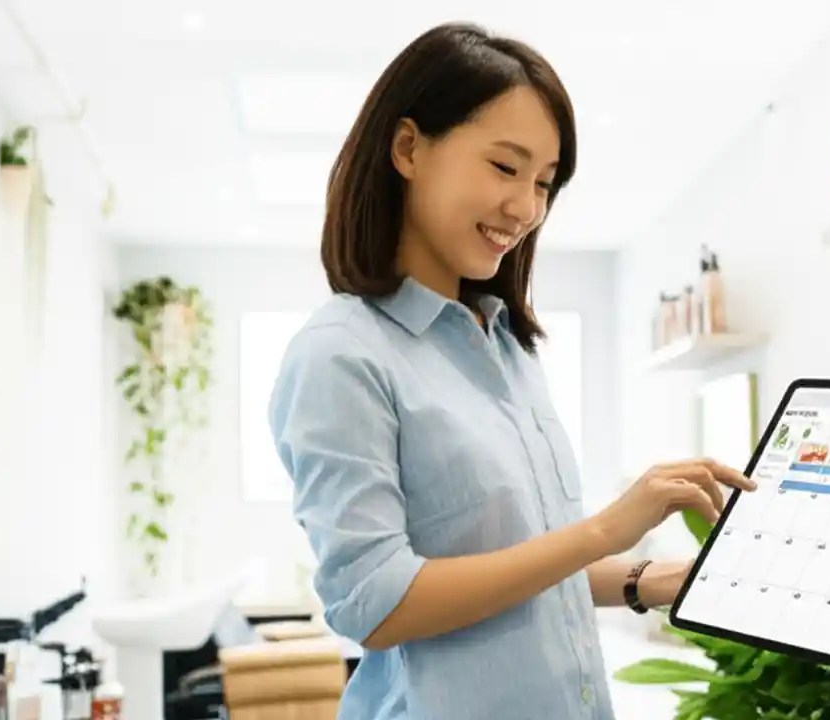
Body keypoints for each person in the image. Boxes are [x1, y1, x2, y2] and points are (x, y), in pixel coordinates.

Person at [267, 21, 756, 720]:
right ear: (409, 147)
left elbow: (526, 565)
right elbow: (374, 603)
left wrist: (662, 579)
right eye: (505, 167)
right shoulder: (341, 354)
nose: (526, 208)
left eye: (545, 183)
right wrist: (606, 528)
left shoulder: (506, 347)